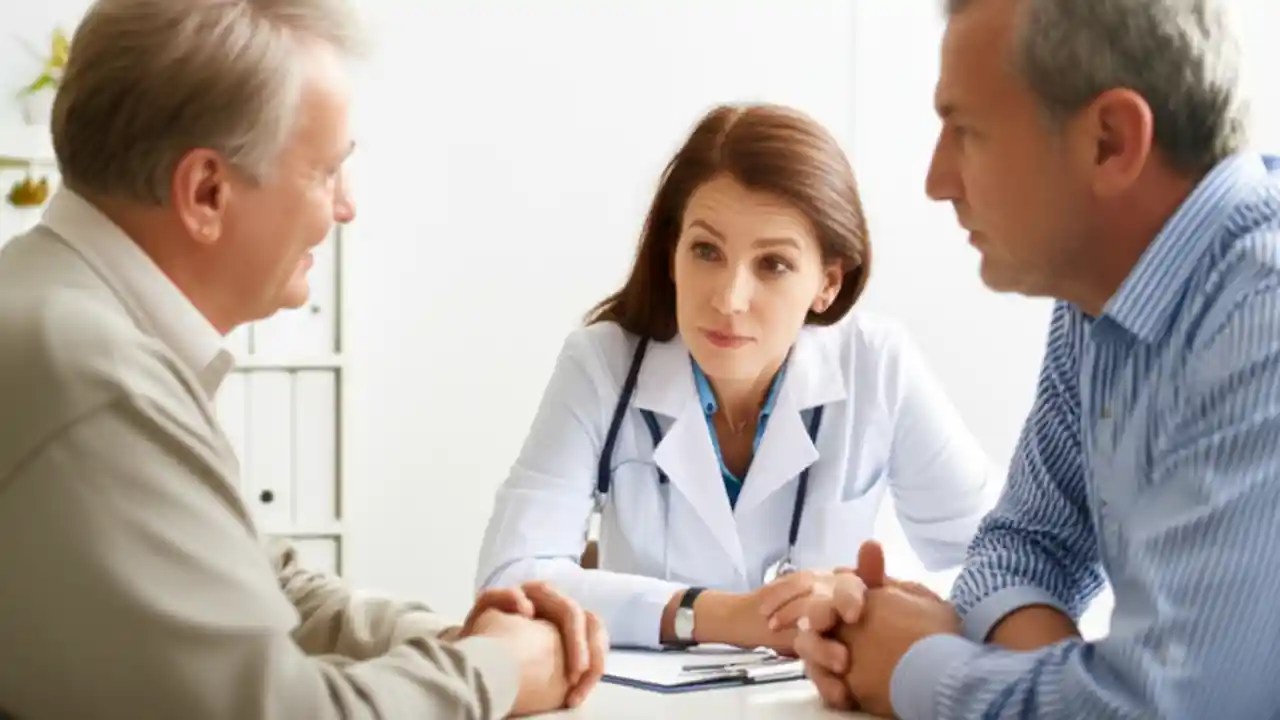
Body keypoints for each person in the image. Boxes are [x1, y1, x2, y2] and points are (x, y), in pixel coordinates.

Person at [0, 1, 606, 718]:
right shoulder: (93, 379)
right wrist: (493, 671)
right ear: (206, 192)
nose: (344, 208)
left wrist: (458, 639)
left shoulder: (62, 313)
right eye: (326, 173)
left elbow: (256, 578)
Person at [794, 0, 1280, 717]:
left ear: (1110, 142)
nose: (937, 180)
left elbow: (1172, 708)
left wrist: (920, 666)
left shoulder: (1262, 316)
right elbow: (1019, 548)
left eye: (965, 131)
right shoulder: (1099, 292)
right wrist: (1054, 685)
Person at [475, 103, 997, 652]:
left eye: (772, 264)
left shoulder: (876, 365)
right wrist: (722, 616)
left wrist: (867, 606)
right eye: (706, 251)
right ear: (672, 254)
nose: (729, 298)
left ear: (828, 283)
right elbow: (509, 579)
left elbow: (1002, 559)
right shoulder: (602, 364)